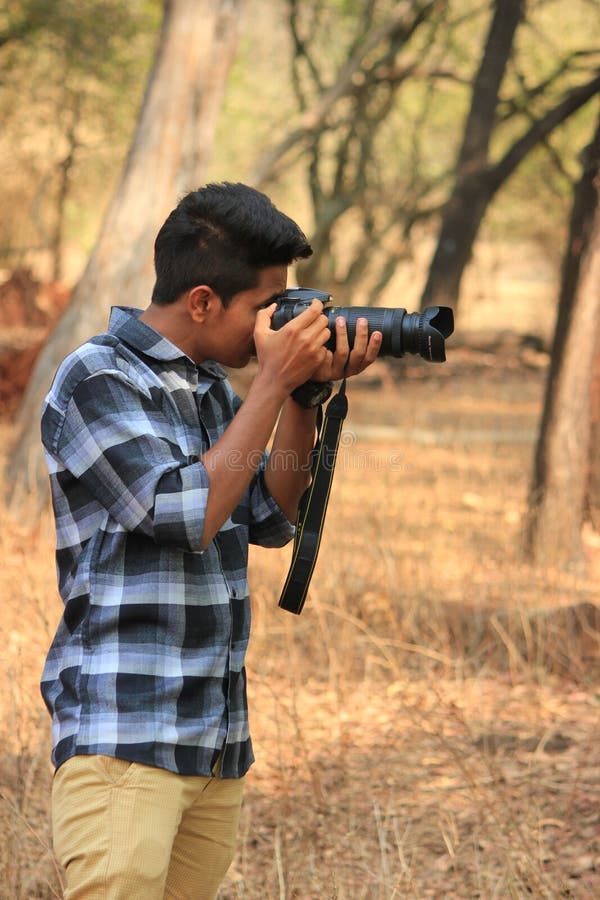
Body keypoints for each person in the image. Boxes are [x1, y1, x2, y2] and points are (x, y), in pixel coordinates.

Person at [41, 181, 381, 899]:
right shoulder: (96, 378)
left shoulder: (212, 390)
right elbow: (183, 514)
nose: (279, 329)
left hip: (212, 741)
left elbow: (271, 514)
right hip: (124, 738)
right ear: (201, 301)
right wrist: (267, 387)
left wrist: (298, 400)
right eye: (268, 309)